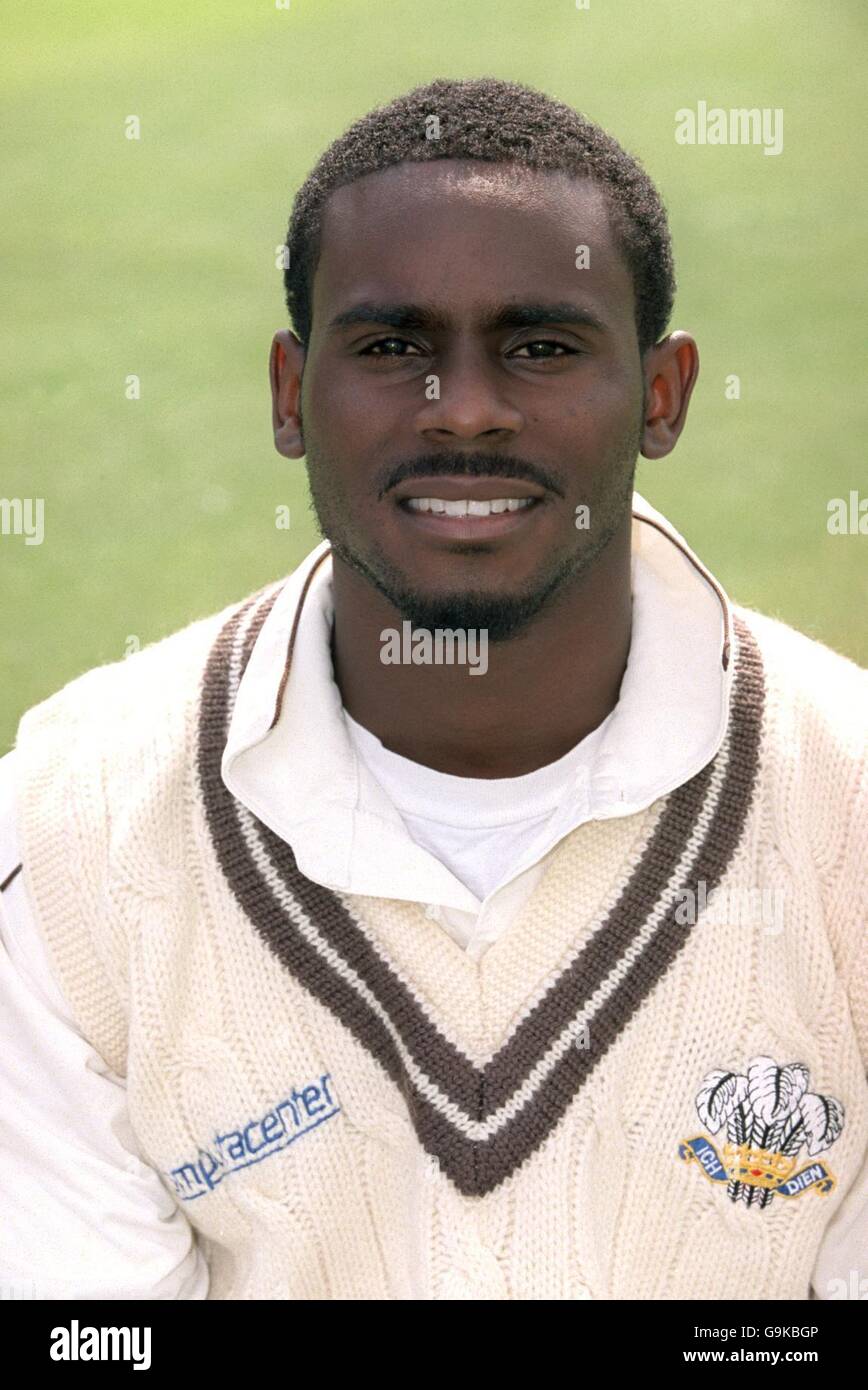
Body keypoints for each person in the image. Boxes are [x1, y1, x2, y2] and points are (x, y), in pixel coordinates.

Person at [1, 77, 865, 1301]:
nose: (463, 410)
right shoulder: (62, 838)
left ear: (662, 394)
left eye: (541, 347)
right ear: (290, 393)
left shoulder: (847, 805)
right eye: (392, 347)